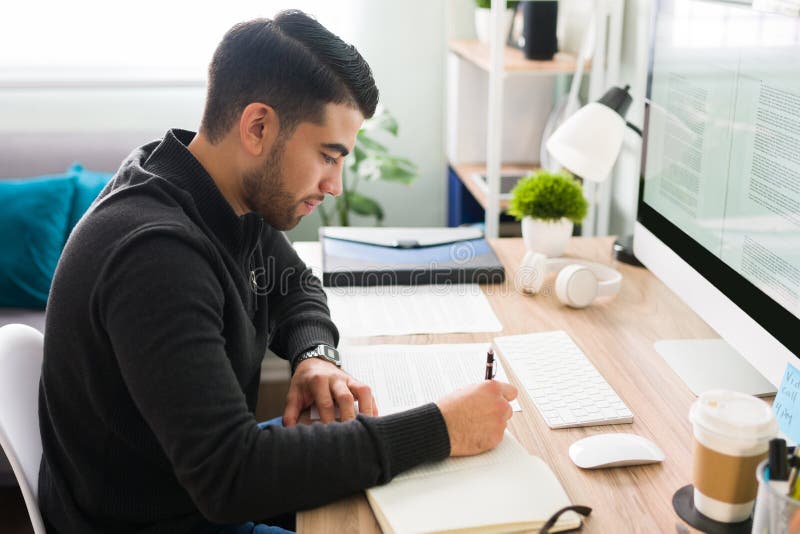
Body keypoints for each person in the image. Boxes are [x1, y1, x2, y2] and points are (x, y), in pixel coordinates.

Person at [38, 10, 517, 534]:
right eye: (328, 156)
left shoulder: (215, 193)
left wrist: (315, 356)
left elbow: (296, 286)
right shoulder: (156, 258)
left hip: (196, 483)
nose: (335, 184)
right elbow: (230, 478)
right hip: (174, 513)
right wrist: (441, 428)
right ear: (258, 127)